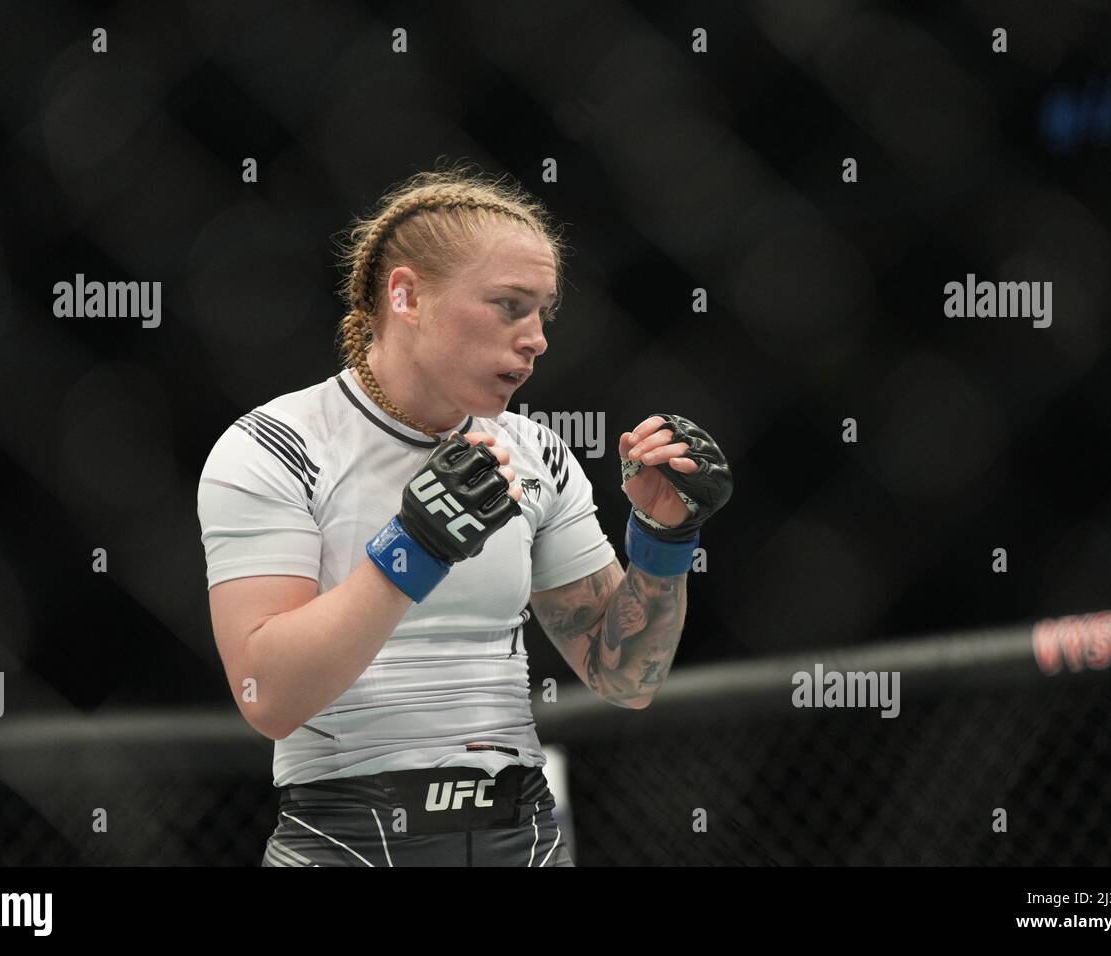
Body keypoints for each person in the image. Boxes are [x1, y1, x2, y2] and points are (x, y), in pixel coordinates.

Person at [195, 165, 732, 866]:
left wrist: (664, 541)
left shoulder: (535, 451)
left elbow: (627, 678)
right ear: (407, 295)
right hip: (349, 840)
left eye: (544, 311)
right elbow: (267, 698)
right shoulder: (279, 445)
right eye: (510, 306)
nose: (536, 337)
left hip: (523, 835)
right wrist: (415, 547)